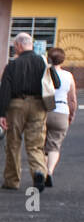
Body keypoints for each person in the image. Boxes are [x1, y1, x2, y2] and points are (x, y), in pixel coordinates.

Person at [0, 32, 49, 191]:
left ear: (19, 46)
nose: (14, 49)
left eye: (14, 46)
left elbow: (5, 89)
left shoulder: (12, 65)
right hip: (38, 104)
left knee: (13, 143)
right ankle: (39, 172)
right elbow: (56, 83)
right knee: (35, 144)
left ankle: (12, 180)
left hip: (16, 105)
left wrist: (2, 113)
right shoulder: (43, 62)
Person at [43, 46, 76, 187]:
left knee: (41, 145)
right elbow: (72, 99)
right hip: (62, 111)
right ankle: (49, 171)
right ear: (63, 60)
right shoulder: (68, 76)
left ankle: (42, 171)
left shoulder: (44, 73)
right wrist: (72, 114)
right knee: (54, 145)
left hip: (44, 110)